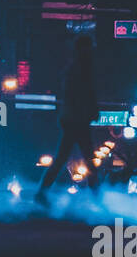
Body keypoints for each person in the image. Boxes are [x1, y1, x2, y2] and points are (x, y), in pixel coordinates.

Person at [35, 36, 100, 205]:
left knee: (67, 157)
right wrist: (91, 109)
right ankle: (97, 196)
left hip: (74, 118)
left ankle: (42, 192)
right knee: (86, 158)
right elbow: (83, 93)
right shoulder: (80, 68)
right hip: (77, 119)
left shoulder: (76, 68)